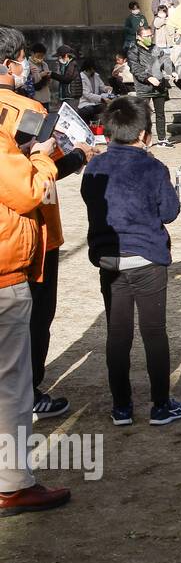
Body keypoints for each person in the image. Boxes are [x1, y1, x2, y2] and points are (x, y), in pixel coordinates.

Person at [0, 25, 94, 426]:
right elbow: (39, 178)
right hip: (27, 234)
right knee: (34, 318)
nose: (27, 67)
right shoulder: (28, 112)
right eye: (23, 59)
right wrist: (78, 155)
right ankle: (31, 390)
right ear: (10, 63)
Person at [80, 97, 181, 427]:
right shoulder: (153, 167)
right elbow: (169, 212)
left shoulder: (94, 166)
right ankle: (160, 405)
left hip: (110, 261)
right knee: (154, 333)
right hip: (146, 259)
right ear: (144, 134)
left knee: (118, 335)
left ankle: (122, 406)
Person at [0, 122, 69, 517]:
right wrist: (42, 155)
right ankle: (13, 485)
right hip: (5, 275)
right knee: (11, 387)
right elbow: (31, 193)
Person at [126, 23, 173, 148]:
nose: (149, 38)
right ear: (139, 37)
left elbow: (165, 60)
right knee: (144, 115)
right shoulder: (133, 50)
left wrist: (171, 71)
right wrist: (148, 78)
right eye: (146, 36)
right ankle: (144, 140)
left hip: (159, 86)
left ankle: (162, 139)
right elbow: (135, 68)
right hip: (143, 87)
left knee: (160, 113)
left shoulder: (155, 48)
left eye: (151, 35)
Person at [24, 43, 52, 108]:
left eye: (42, 56)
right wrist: (41, 75)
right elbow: (27, 82)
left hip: (45, 97)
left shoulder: (44, 64)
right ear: (32, 53)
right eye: (38, 56)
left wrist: (48, 77)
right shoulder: (27, 65)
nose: (40, 58)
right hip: (34, 98)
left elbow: (48, 82)